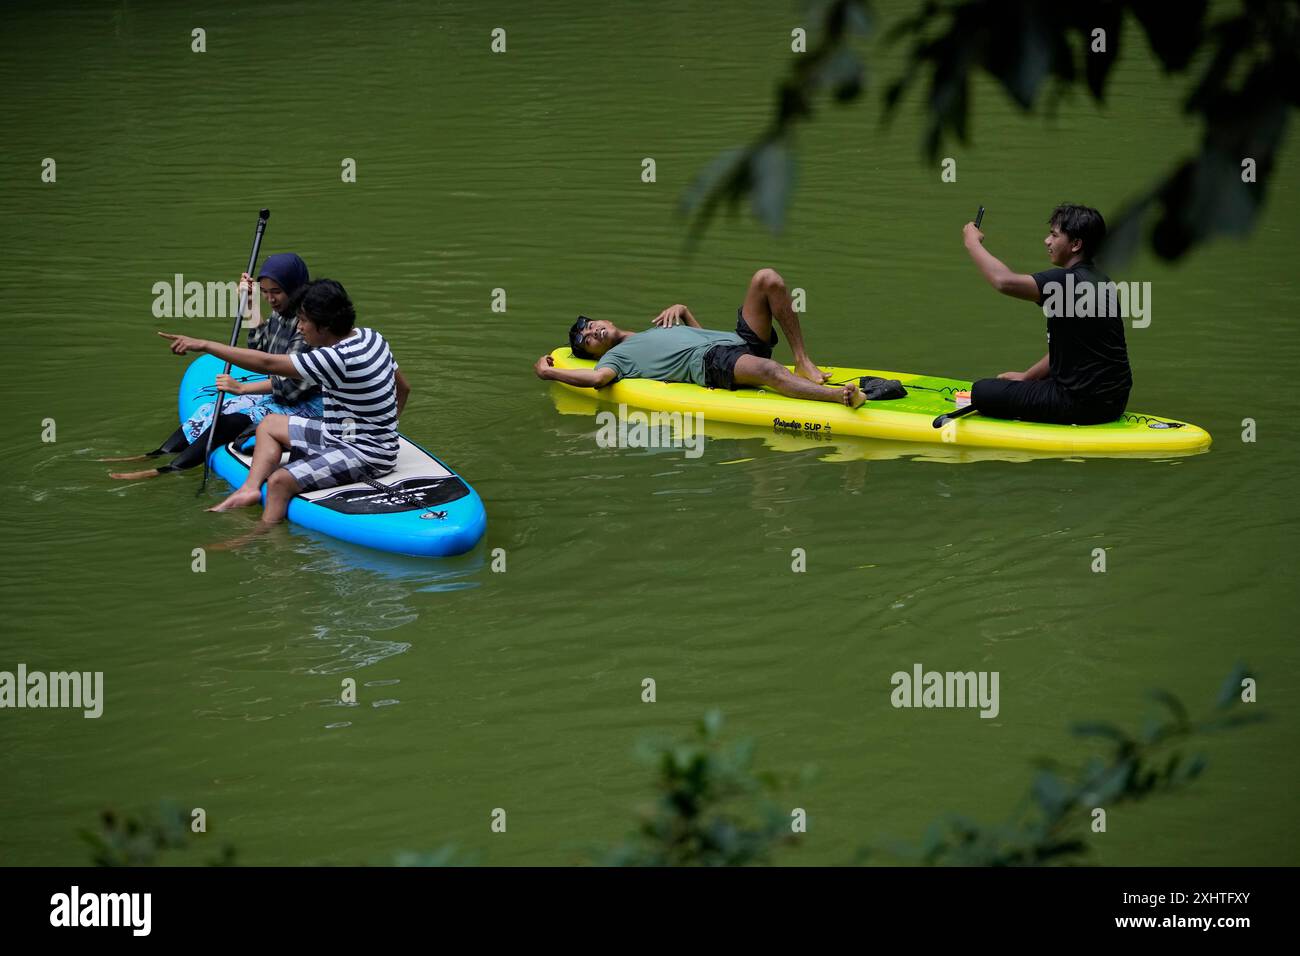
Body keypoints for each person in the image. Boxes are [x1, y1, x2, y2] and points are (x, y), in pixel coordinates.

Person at [158, 279, 411, 527]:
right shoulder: (372, 337)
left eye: (303, 321)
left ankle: (263, 536)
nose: (299, 328)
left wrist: (204, 345)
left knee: (279, 481)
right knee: (268, 424)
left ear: (324, 326)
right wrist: (386, 430)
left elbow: (267, 363)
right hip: (343, 434)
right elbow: (404, 388)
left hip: (365, 455)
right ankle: (250, 490)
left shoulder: (334, 358)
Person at [105, 253, 322, 479]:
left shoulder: (306, 326)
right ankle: (157, 453)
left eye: (276, 292)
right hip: (282, 397)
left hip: (305, 404)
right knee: (210, 411)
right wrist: (249, 305)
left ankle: (166, 470)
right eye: (265, 292)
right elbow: (260, 351)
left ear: (296, 288)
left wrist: (242, 388)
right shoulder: (281, 314)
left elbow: (290, 384)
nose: (270, 299)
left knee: (230, 422)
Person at [534, 268, 866, 408]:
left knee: (767, 279)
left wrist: (684, 310)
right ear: (595, 353)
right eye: (590, 339)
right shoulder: (614, 359)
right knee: (769, 372)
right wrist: (549, 372)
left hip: (734, 342)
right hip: (711, 364)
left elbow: (700, 336)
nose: (594, 331)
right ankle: (841, 398)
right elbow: (597, 380)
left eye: (592, 325)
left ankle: (803, 361)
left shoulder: (653, 329)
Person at [962, 203, 1132, 425]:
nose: (1047, 241)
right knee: (1012, 386)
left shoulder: (1065, 282)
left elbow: (1004, 282)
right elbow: (1071, 348)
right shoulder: (1102, 282)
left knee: (981, 391)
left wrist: (972, 243)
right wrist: (1026, 377)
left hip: (1078, 404)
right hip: (1115, 401)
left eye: (1054, 235)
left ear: (1076, 244)